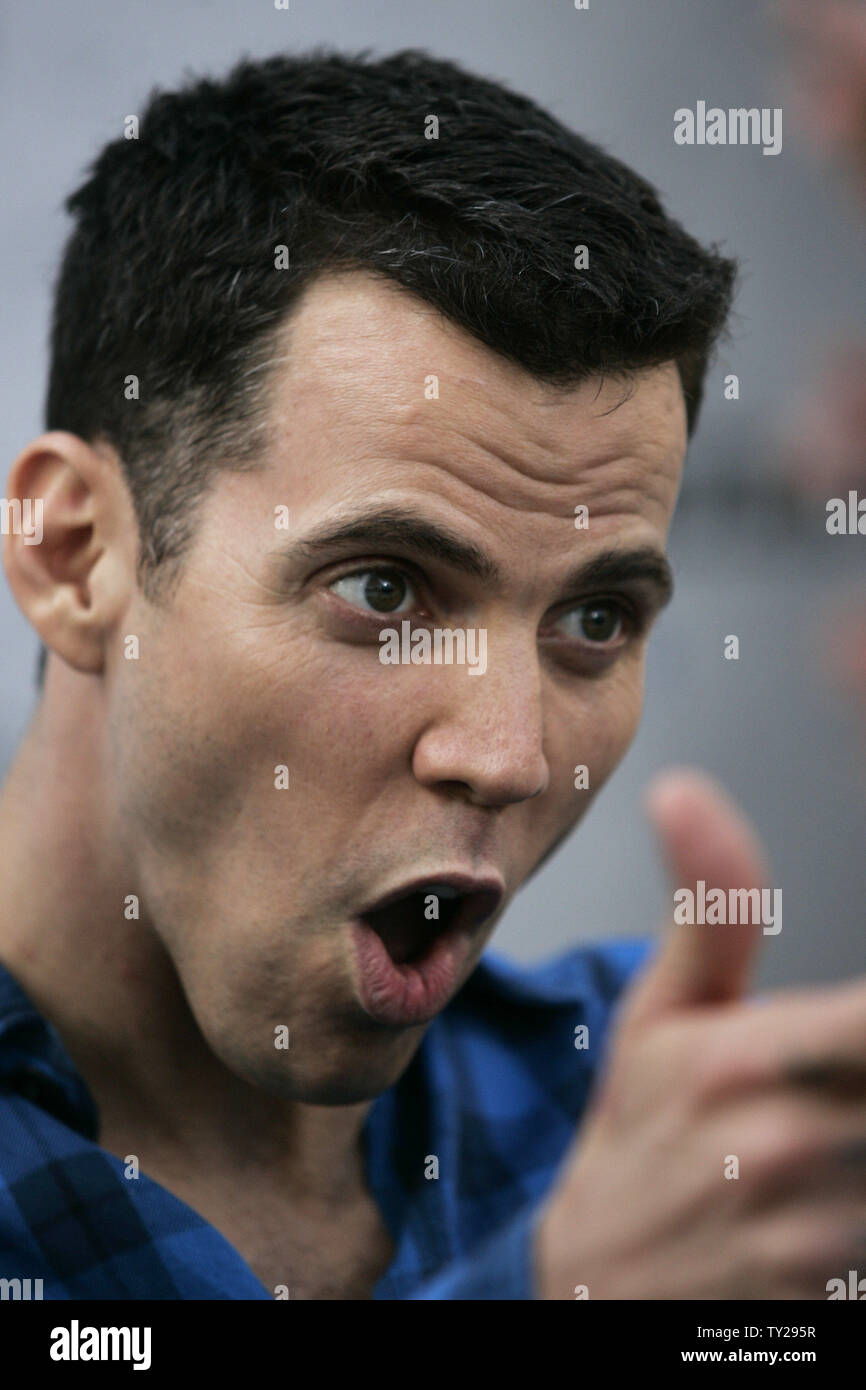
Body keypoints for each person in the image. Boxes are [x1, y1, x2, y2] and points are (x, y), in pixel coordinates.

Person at [1, 49, 861, 1301]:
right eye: (384, 590)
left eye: (594, 617)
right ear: (75, 557)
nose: (507, 754)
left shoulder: (657, 1123)